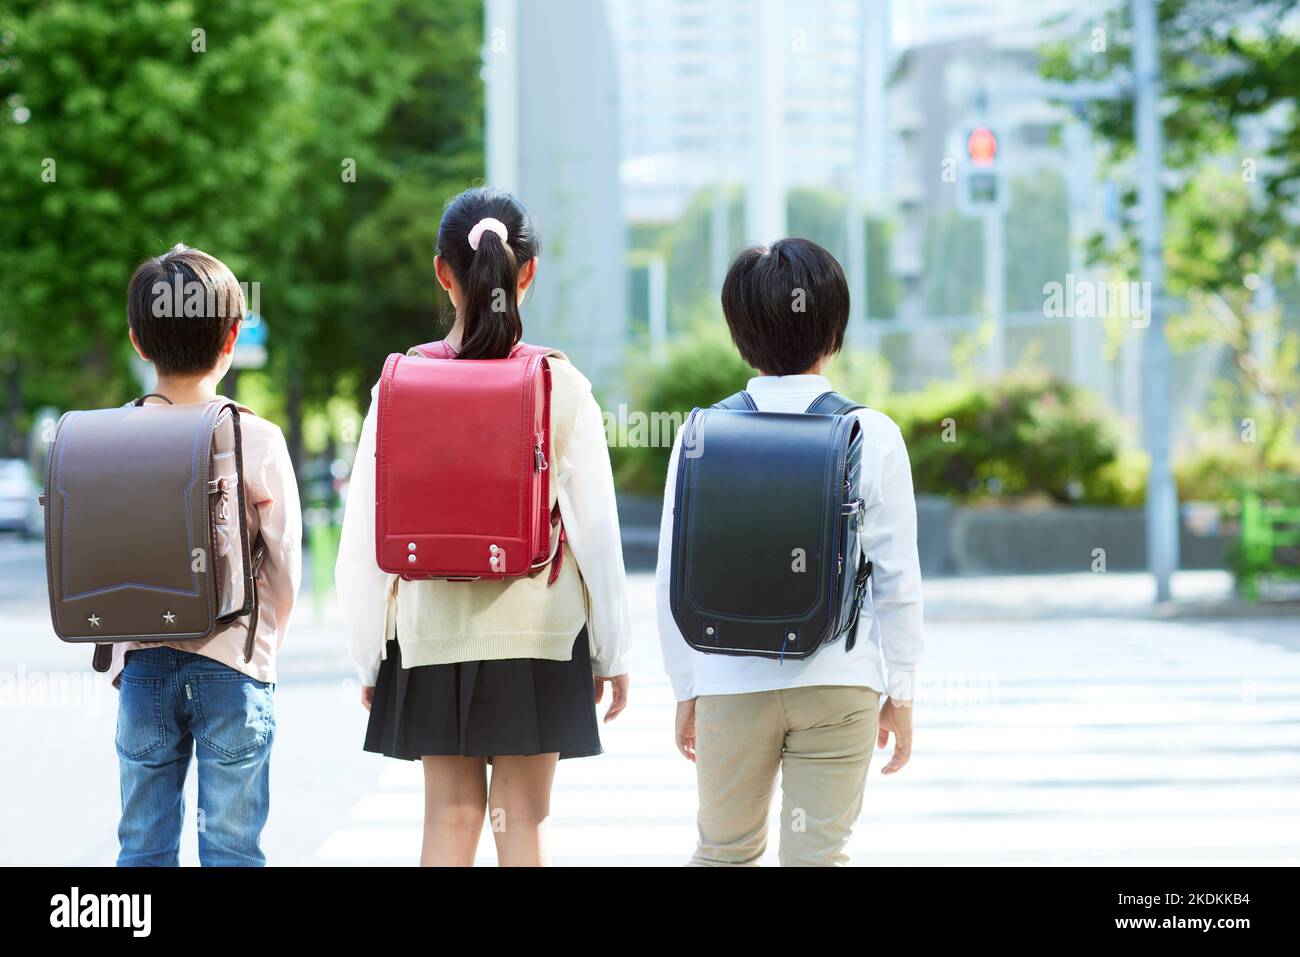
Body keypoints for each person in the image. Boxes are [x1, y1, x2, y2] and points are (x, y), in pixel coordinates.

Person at [336, 186, 633, 867]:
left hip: (431, 631)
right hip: (539, 634)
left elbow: (364, 545)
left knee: (450, 814)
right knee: (523, 820)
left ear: (442, 272)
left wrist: (371, 653)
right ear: (526, 272)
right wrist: (612, 652)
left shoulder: (400, 384)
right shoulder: (563, 385)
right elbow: (597, 535)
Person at [656, 238, 923, 867]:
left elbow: (673, 575)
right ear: (834, 331)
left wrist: (687, 687)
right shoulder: (871, 433)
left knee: (723, 855)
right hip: (840, 681)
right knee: (817, 859)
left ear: (740, 333)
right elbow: (897, 580)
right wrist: (902, 692)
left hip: (729, 680)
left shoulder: (698, 434)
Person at [113, 244, 302, 866]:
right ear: (231, 338)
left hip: (143, 669)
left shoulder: (111, 437)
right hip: (233, 665)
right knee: (232, 847)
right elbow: (284, 567)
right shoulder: (257, 437)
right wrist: (262, 645)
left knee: (142, 844)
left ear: (139, 342)